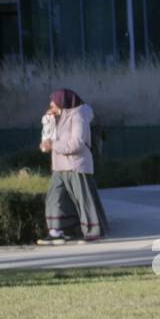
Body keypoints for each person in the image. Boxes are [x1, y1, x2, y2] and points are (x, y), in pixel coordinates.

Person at [37, 89, 109, 245]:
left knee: (83, 199)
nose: (51, 105)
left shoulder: (79, 115)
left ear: (63, 101)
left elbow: (76, 143)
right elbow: (48, 141)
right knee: (54, 198)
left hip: (77, 164)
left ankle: (92, 232)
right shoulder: (58, 116)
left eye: (54, 102)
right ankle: (56, 232)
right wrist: (49, 122)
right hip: (59, 166)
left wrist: (53, 145)